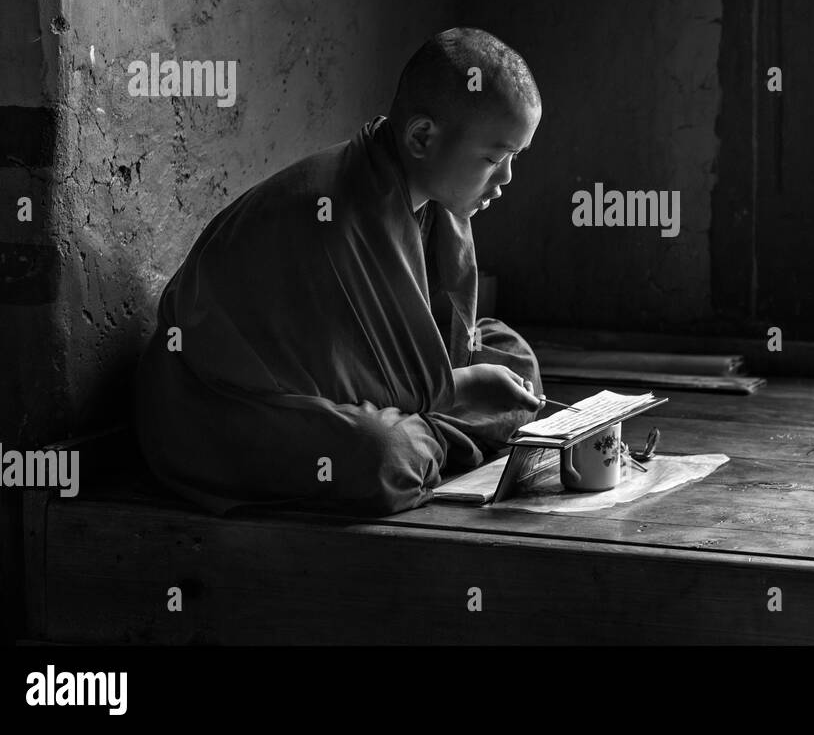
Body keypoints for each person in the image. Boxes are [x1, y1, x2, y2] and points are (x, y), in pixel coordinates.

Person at [133, 28, 545, 515]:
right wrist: (464, 387)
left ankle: (434, 428)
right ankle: (437, 428)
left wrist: (452, 380)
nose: (507, 179)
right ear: (421, 137)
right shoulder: (333, 210)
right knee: (383, 455)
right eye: (495, 158)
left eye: (515, 158)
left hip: (359, 394)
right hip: (221, 411)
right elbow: (345, 375)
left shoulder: (428, 199)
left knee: (518, 366)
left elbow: (433, 333)